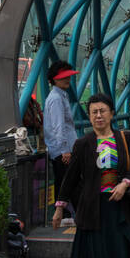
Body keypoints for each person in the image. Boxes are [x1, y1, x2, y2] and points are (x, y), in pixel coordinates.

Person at [52, 93, 130, 258]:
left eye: (102, 111)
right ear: (90, 117)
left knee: (120, 253)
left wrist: (124, 184)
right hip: (92, 209)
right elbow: (70, 177)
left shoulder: (125, 139)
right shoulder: (83, 144)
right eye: (94, 112)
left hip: (119, 207)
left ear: (112, 113)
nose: (98, 115)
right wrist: (60, 207)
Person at [44, 60, 78, 227]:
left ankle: (67, 214)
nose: (67, 80)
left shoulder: (60, 96)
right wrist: (65, 150)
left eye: (69, 77)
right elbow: (59, 126)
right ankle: (64, 216)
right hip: (62, 151)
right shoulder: (56, 98)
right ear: (54, 79)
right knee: (65, 182)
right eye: (64, 77)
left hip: (64, 149)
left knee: (66, 181)